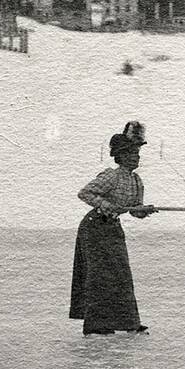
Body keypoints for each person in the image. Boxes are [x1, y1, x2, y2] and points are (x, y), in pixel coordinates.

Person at [70, 121, 157, 335]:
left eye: (137, 153)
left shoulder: (136, 181)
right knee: (100, 276)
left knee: (121, 274)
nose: (137, 157)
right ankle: (97, 326)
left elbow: (134, 210)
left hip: (113, 227)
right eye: (132, 153)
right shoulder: (112, 176)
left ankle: (128, 322)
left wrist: (144, 210)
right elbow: (85, 193)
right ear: (121, 156)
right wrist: (105, 204)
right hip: (94, 227)